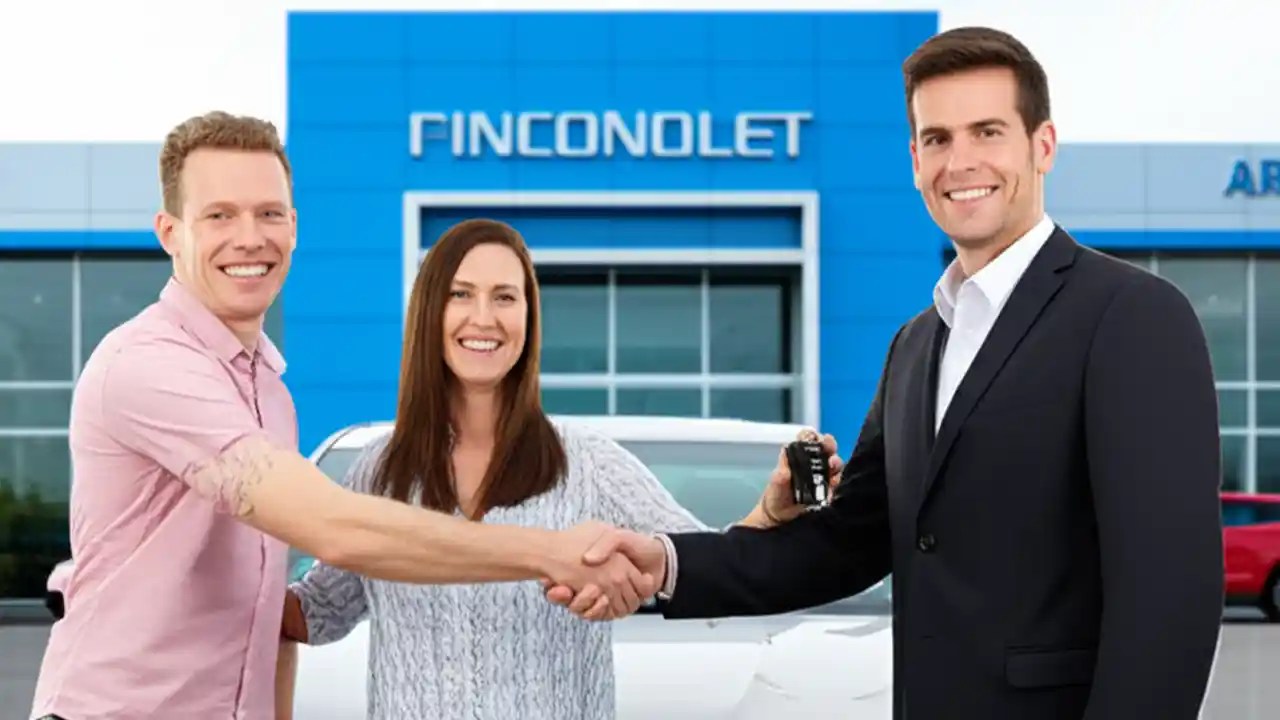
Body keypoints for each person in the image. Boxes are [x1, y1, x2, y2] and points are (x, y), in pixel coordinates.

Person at [548, 26, 1225, 720]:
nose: (959, 162)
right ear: (913, 159)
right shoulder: (916, 345)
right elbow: (847, 543)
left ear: (1042, 144)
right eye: (937, 139)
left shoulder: (1131, 316)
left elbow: (1171, 595)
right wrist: (664, 563)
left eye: (987, 132)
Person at [28, 112, 656, 720]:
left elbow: (269, 610)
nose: (250, 237)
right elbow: (335, 531)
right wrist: (552, 553)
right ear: (170, 232)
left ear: (294, 227)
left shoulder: (269, 392)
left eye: (269, 213)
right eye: (219, 215)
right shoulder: (149, 365)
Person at [273, 218, 835, 720]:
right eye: (460, 294)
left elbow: (707, 568)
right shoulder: (378, 472)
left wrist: (768, 514)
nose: (483, 317)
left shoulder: (588, 464)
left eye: (505, 297)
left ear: (529, 316)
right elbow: (316, 611)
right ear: (429, 312)